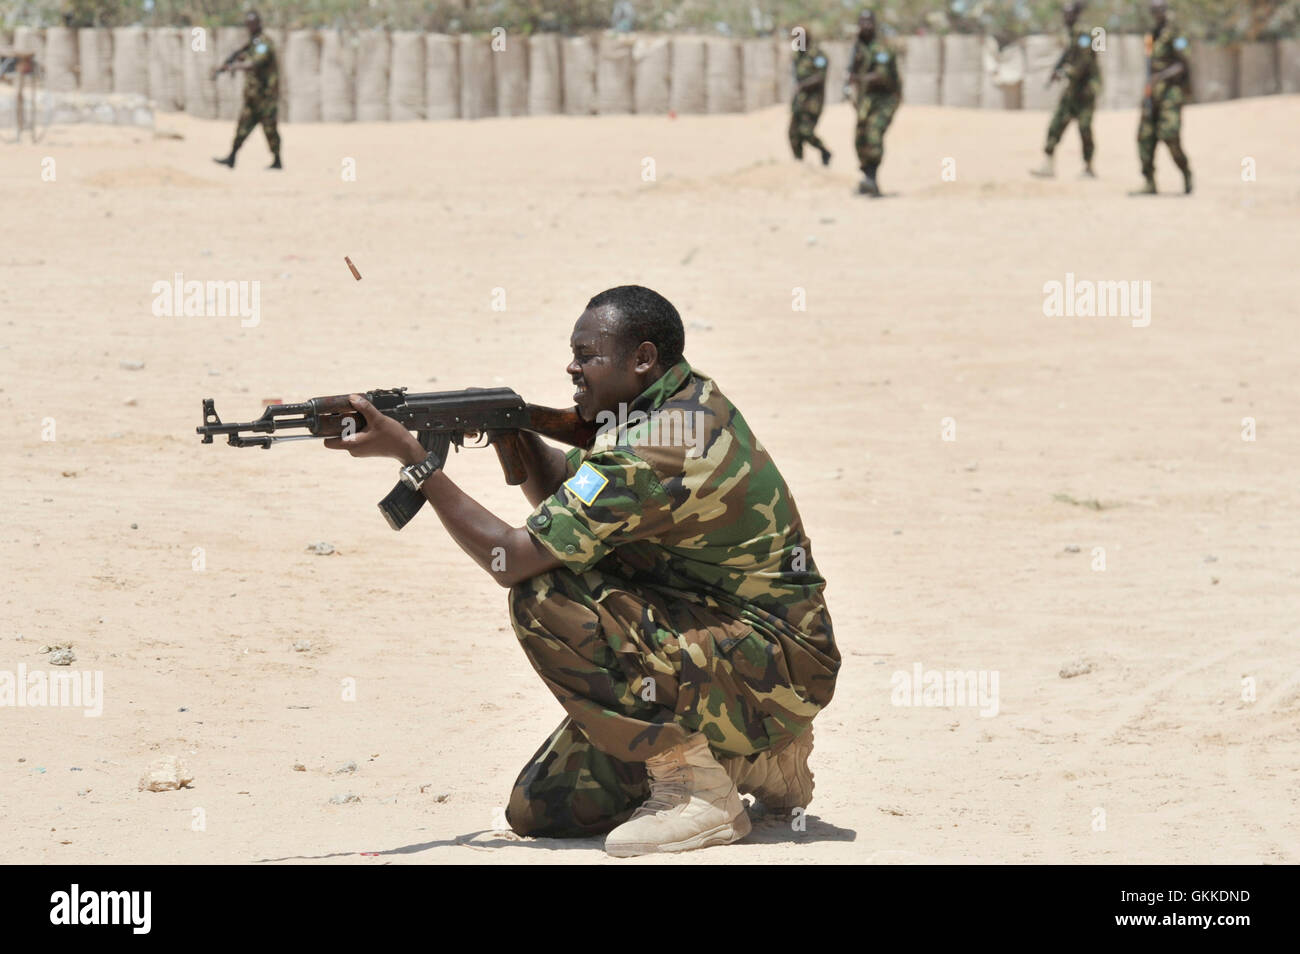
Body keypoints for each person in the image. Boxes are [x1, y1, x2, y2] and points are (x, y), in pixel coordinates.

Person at [324, 285, 840, 857]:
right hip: (723, 643)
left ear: (642, 358)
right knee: (543, 810)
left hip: (775, 665)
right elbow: (575, 494)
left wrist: (416, 461)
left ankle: (697, 792)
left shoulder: (656, 449)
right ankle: (761, 759)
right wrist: (511, 431)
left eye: (586, 355)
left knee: (542, 594)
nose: (572, 368)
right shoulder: (678, 400)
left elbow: (510, 559)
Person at [1030, 2, 1102, 179]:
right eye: (1064, 14)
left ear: (1076, 15)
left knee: (1084, 128)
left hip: (1085, 91)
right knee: (1056, 124)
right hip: (1072, 89)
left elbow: (1084, 62)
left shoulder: (1084, 34)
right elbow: (1069, 56)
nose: (1065, 17)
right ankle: (1047, 164)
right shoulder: (1071, 34)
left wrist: (1064, 72)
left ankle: (1088, 167)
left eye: (1068, 14)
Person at [1132, 0, 1192, 195]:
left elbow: (1183, 64)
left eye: (1160, 10)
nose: (1157, 13)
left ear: (1166, 10)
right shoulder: (1151, 34)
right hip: (1152, 94)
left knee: (1170, 136)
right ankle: (1149, 182)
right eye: (1154, 10)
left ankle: (1186, 174)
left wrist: (1161, 76)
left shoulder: (1176, 34)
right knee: (1145, 136)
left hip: (1170, 94)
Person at [213, 11, 281, 171]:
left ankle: (277, 161)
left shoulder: (264, 43)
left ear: (258, 23)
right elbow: (245, 57)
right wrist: (230, 63)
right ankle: (232, 157)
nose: (249, 27)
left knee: (270, 129)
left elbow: (255, 63)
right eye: (247, 24)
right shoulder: (253, 43)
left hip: (265, 97)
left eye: (251, 24)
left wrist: (235, 66)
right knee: (242, 127)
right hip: (253, 96)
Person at [845, 9, 901, 197]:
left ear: (875, 24)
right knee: (860, 136)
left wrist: (858, 79)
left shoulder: (882, 47)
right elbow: (852, 70)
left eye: (869, 21)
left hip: (886, 99)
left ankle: (872, 180)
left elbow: (881, 76)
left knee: (874, 133)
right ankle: (867, 177)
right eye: (862, 22)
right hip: (867, 98)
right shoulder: (859, 46)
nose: (866, 25)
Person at [789, 29, 833, 166]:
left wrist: (803, 85)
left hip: (813, 101)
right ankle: (799, 163)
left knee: (806, 131)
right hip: (799, 100)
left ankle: (824, 151)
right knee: (793, 133)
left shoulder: (818, 55)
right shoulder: (797, 56)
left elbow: (820, 77)